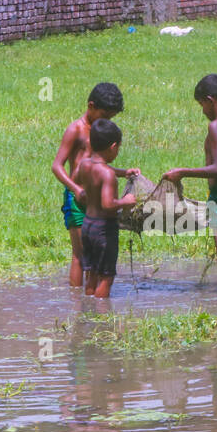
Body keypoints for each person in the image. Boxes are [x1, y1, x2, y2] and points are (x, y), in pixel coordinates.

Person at [163, 74, 217, 297]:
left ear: (210, 100)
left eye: (201, 104)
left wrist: (182, 172)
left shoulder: (215, 127)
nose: (202, 110)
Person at [50, 82, 138, 289]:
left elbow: (98, 166)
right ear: (91, 106)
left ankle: (89, 301)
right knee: (80, 255)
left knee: (94, 256)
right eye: (105, 115)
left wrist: (124, 173)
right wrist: (76, 188)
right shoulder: (76, 130)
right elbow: (57, 166)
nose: (107, 121)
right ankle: (77, 301)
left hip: (97, 201)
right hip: (77, 199)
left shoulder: (99, 131)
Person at [74, 118, 137, 298]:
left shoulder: (84, 164)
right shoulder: (108, 175)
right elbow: (108, 205)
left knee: (92, 272)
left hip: (87, 226)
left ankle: (88, 308)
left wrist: (123, 172)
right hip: (104, 229)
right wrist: (126, 201)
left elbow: (78, 178)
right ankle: (101, 318)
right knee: (106, 276)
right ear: (113, 146)